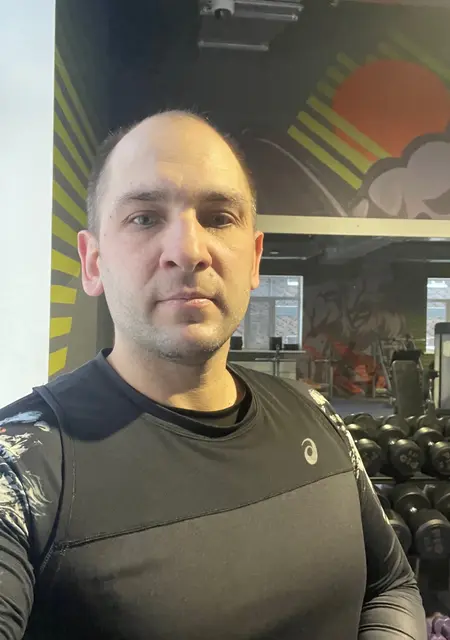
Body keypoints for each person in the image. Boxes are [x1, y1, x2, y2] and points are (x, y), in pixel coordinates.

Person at [0, 111, 426, 639]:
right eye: (144, 218)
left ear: (254, 259)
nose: (188, 251)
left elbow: (390, 587)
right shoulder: (22, 464)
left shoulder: (316, 415)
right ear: (92, 262)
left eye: (219, 217)